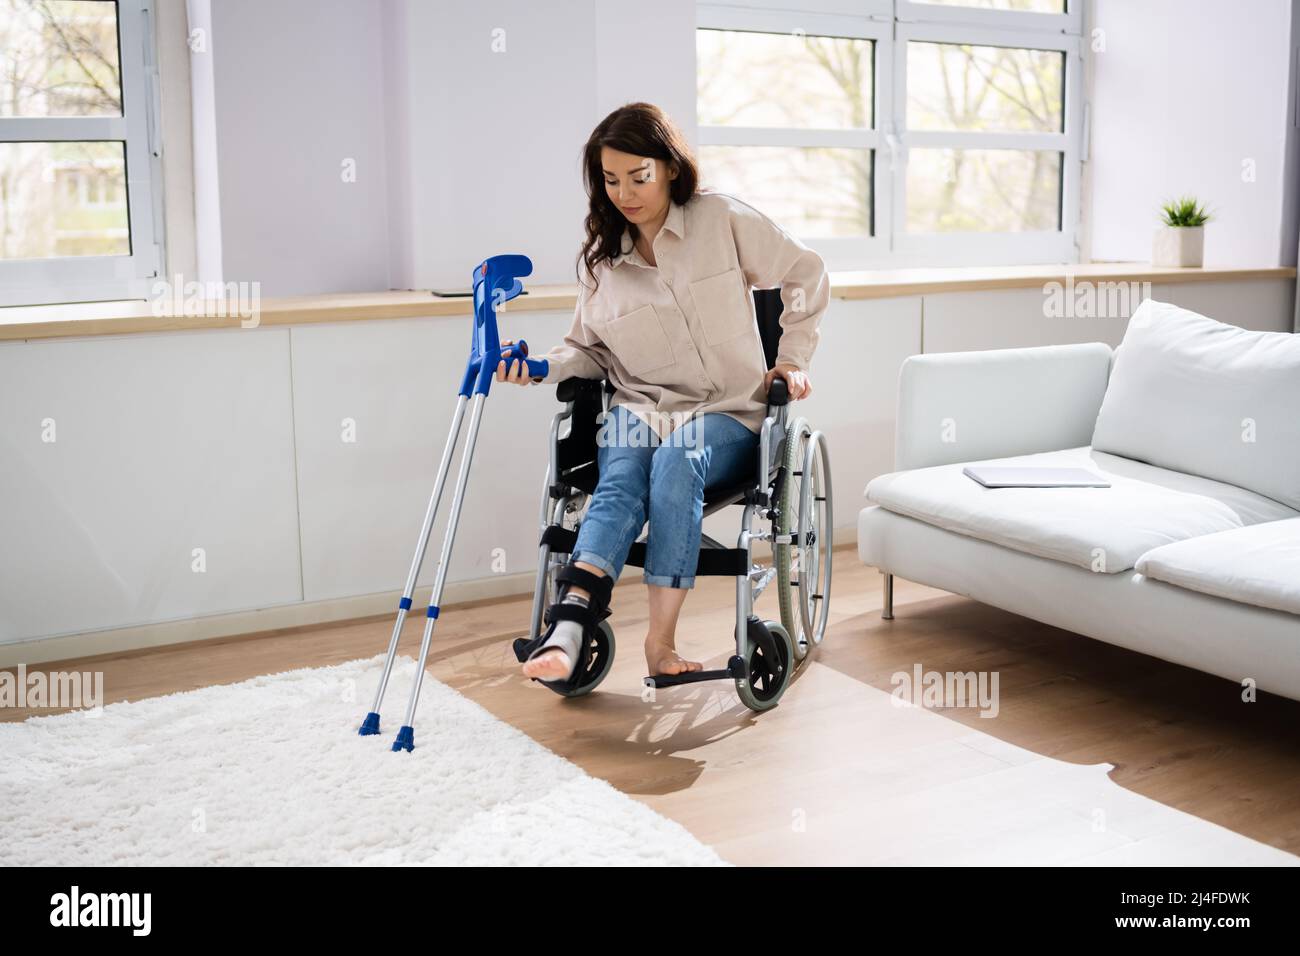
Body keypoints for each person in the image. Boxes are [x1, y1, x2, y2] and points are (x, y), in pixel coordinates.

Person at [497, 101, 829, 683]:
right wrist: (539, 367)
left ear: (670, 168)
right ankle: (571, 625)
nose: (625, 192)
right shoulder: (602, 263)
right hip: (640, 408)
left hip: (730, 409)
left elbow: (807, 272)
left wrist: (791, 361)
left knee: (680, 458)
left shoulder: (719, 220)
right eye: (611, 179)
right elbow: (590, 351)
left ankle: (660, 644)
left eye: (639, 176)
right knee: (621, 476)